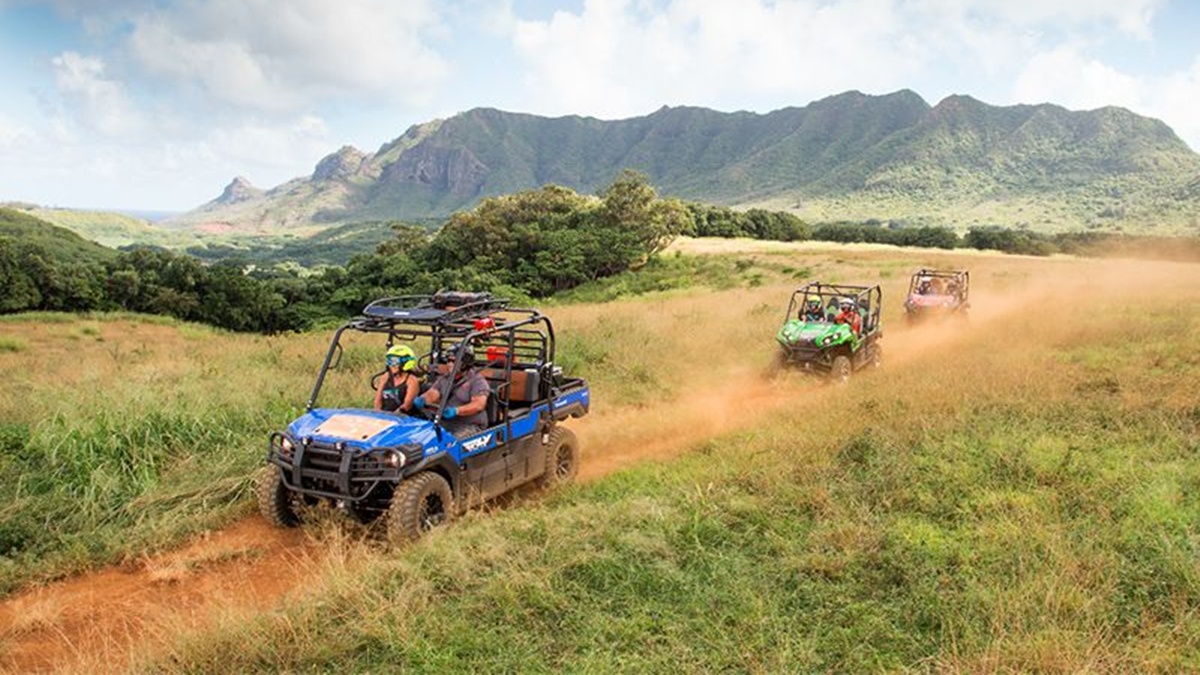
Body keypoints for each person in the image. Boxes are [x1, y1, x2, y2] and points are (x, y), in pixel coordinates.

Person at [412, 342, 490, 437]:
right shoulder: (444, 378)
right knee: (421, 434)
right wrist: (423, 399)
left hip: (470, 425)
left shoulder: (477, 381)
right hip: (445, 422)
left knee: (452, 442)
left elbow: (478, 405)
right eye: (448, 361)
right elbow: (432, 393)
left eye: (454, 361)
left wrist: (456, 411)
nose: (450, 364)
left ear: (465, 363)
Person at [374, 345, 419, 413]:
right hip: (385, 415)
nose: (392, 365)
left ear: (405, 362)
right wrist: (378, 414)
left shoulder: (412, 381)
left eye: (395, 361)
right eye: (389, 361)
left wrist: (393, 416)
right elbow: (377, 400)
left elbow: (407, 405)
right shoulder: (386, 377)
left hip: (403, 417)